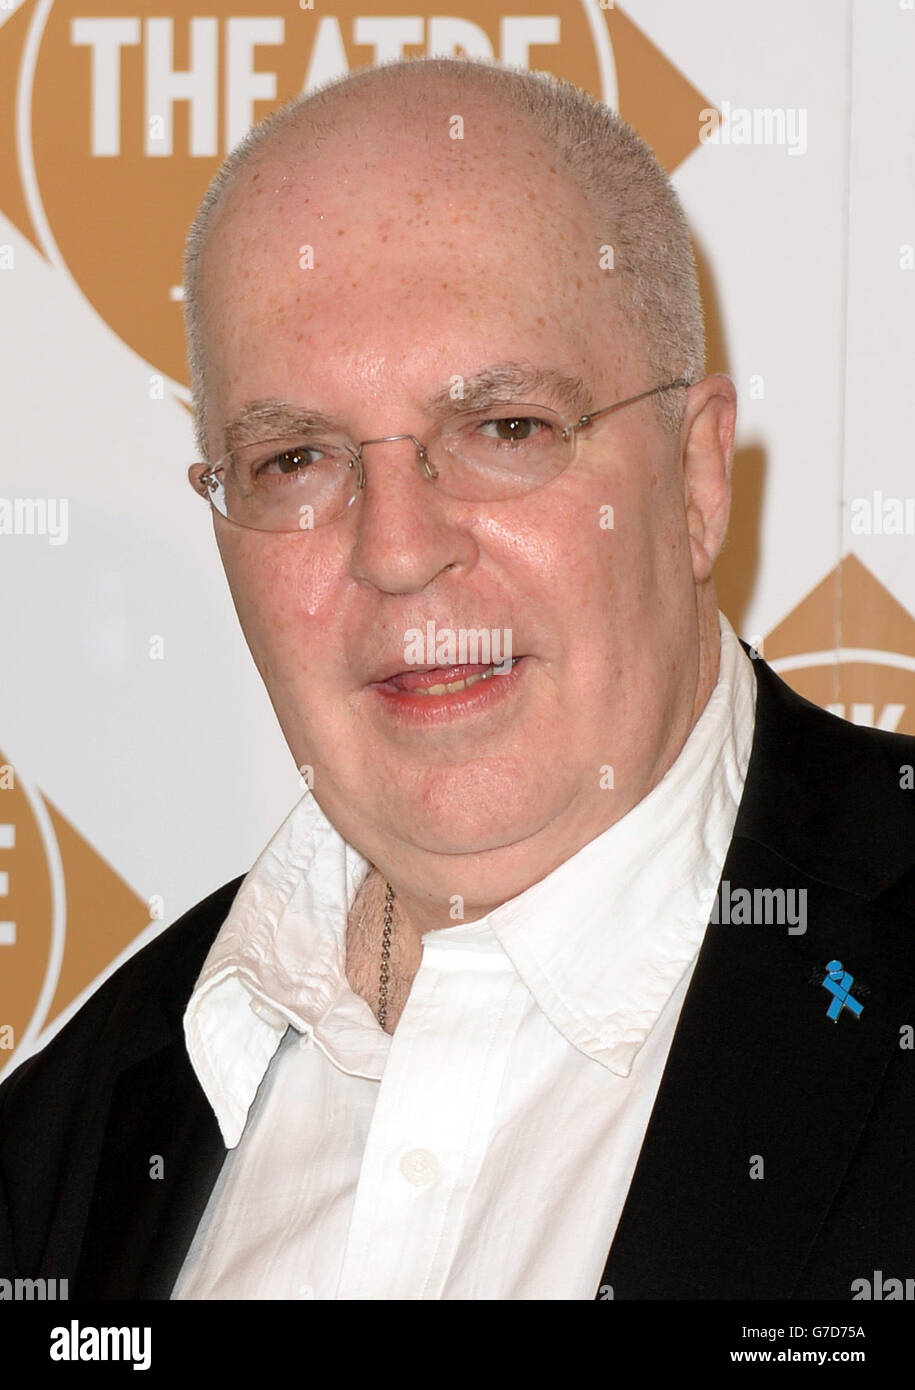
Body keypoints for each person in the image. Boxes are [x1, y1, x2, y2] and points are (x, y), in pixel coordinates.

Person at [1, 55, 913, 1302]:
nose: (396, 549)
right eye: (296, 457)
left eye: (505, 429)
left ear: (699, 481)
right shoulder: (65, 1139)